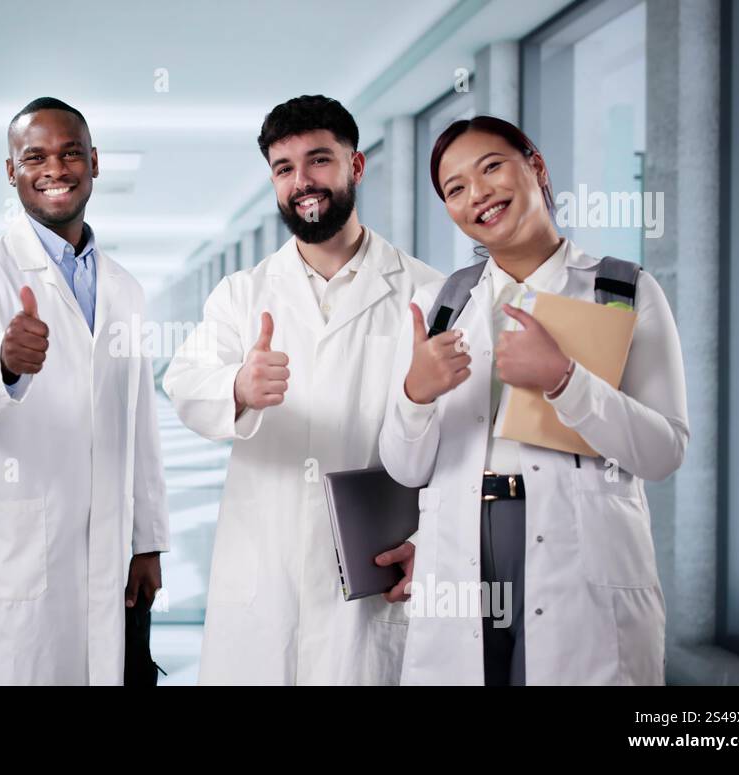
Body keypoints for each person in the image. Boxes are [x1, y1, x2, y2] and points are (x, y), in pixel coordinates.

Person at [380, 115, 689, 685]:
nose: (479, 194)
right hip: (465, 544)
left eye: (491, 167)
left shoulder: (621, 292)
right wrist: (415, 394)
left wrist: (566, 380)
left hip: (580, 545)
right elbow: (405, 466)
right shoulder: (440, 306)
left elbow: (665, 450)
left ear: (537, 167)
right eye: (455, 189)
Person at [163, 95, 443, 684]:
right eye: (284, 168)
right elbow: (184, 383)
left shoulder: (426, 293)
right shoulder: (243, 293)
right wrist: (236, 386)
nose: (302, 182)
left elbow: (463, 443)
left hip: (373, 575)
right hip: (264, 573)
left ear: (356, 166)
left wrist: (433, 542)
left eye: (319, 161)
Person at [0, 98, 169, 685]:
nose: (55, 169)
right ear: (10, 171)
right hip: (14, 543)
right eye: (34, 156)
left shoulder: (124, 288)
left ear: (94, 161)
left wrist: (148, 540)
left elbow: (138, 420)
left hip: (108, 543)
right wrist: (4, 363)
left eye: (70, 154)